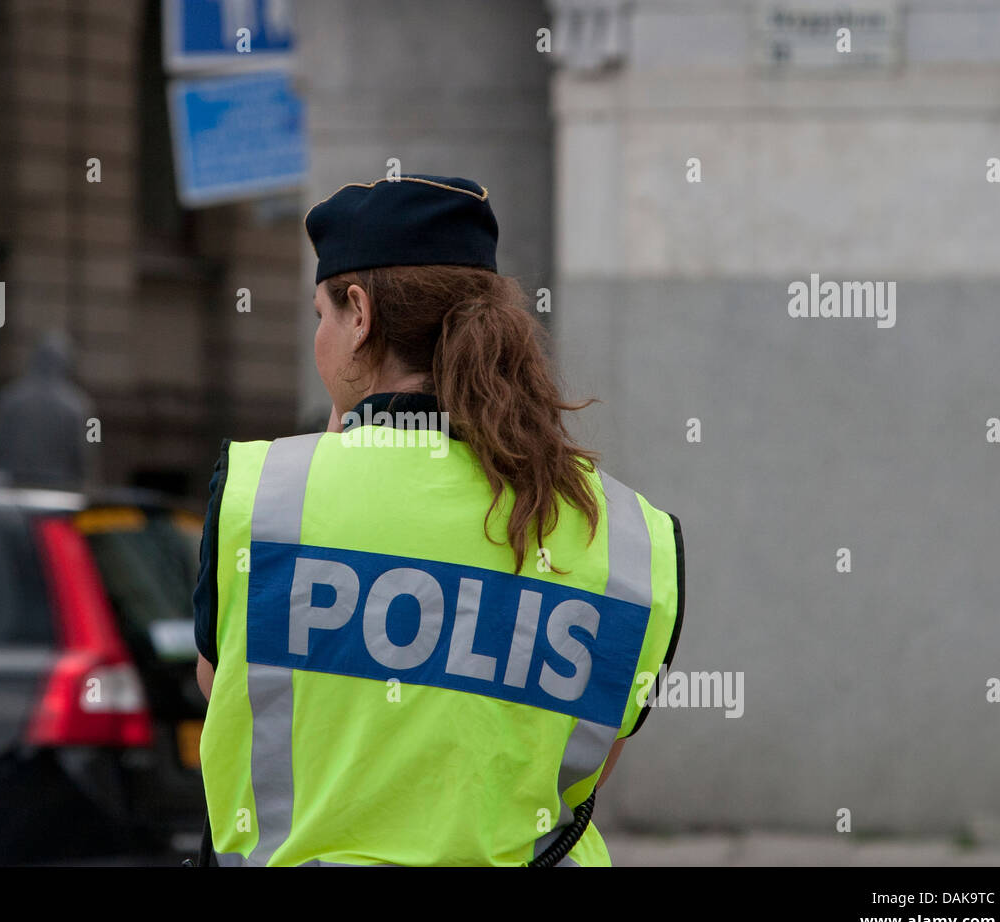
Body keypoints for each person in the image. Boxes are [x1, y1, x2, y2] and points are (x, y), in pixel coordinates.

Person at [192, 174, 684, 866]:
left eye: (321, 316)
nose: (320, 338)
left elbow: (225, 693)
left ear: (359, 314)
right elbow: (587, 767)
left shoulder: (266, 494)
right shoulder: (630, 536)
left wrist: (334, 460)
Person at [0, 330, 97, 489]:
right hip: (58, 492)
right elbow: (84, 459)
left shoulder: (10, 398)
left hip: (12, 490)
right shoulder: (78, 406)